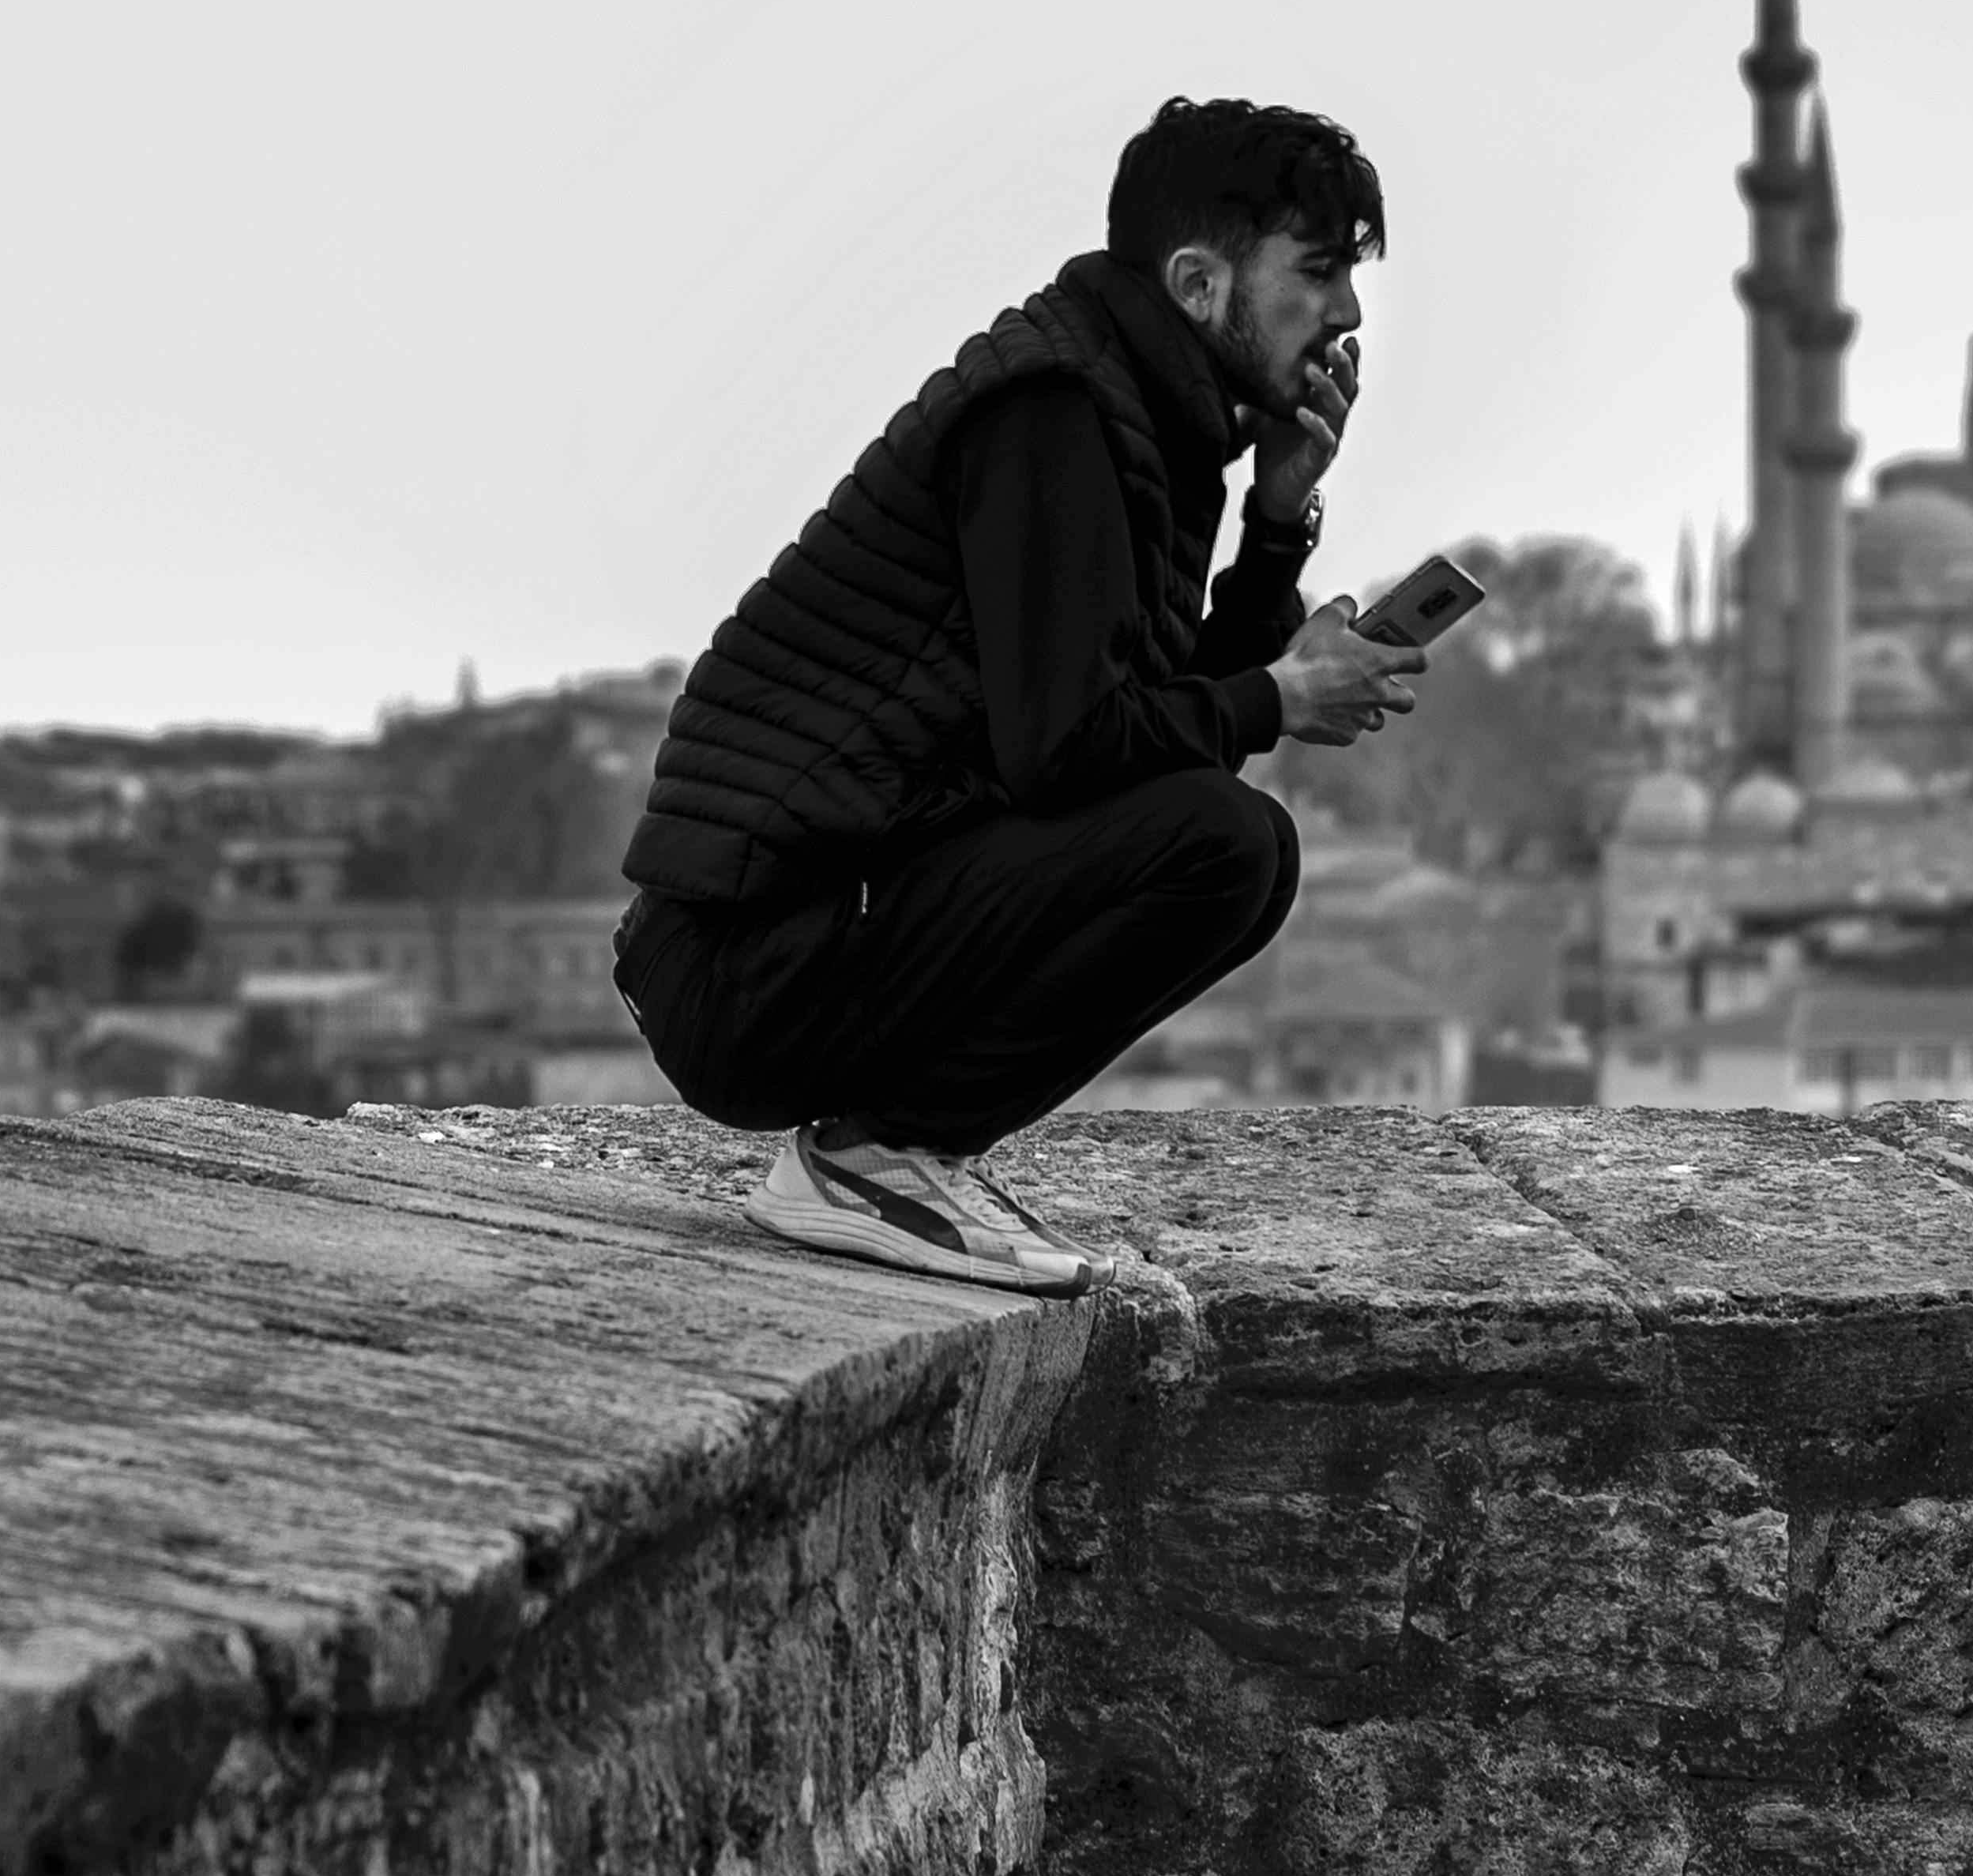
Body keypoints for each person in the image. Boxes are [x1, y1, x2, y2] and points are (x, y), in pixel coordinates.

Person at [613, 96, 1432, 1294]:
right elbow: (1075, 749)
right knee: (1229, 847)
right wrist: (1279, 695)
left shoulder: (1141, 420)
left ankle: (892, 1150)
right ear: (1200, 283)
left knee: (1236, 850)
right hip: (754, 956)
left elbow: (1142, 742)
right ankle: (876, 1157)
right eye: (1315, 272)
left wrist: (1273, 525)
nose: (1347, 313)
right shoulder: (1054, 411)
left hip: (822, 924)